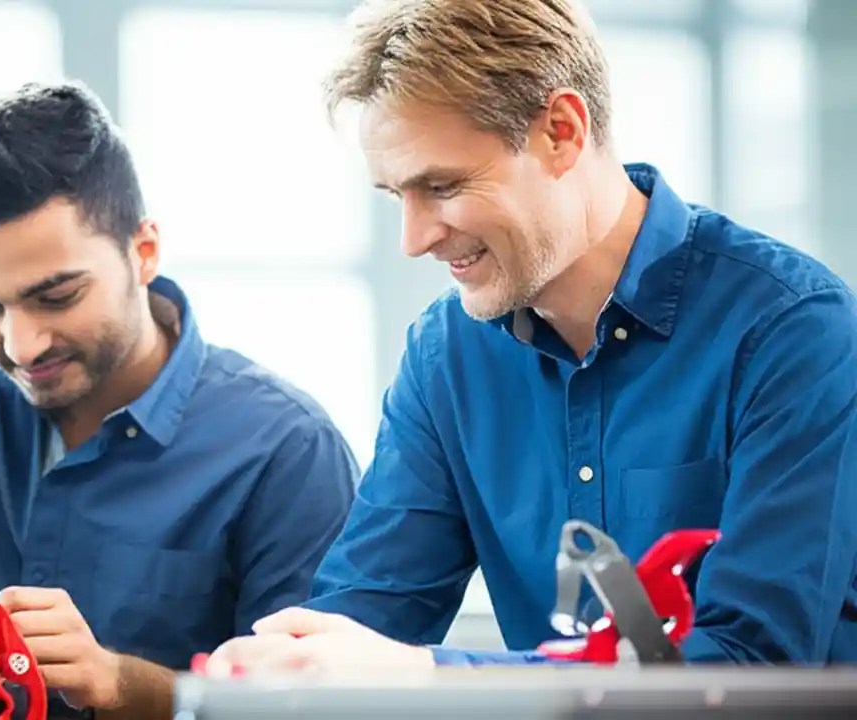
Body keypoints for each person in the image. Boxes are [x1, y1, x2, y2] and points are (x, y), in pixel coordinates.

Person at [207, 0, 857, 677]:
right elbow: (358, 622)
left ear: (562, 132)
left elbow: (755, 668)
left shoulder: (792, 330)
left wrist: (432, 679)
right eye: (394, 195)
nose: (413, 239)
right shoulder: (445, 357)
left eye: (442, 185)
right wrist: (278, 669)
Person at [0, 81, 358, 716]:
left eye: (56, 297)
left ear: (143, 253)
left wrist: (119, 682)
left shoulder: (288, 449)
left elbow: (310, 706)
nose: (21, 345)